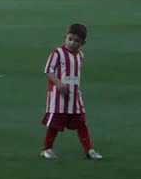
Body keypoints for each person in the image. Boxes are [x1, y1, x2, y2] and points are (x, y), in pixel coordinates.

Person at [41, 23, 101, 160]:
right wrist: (58, 83)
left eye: (77, 41)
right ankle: (47, 149)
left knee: (82, 123)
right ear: (65, 37)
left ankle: (89, 150)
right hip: (58, 97)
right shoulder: (57, 53)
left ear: (83, 43)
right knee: (55, 124)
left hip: (74, 97)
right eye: (70, 39)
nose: (73, 43)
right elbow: (48, 70)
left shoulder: (80, 55)